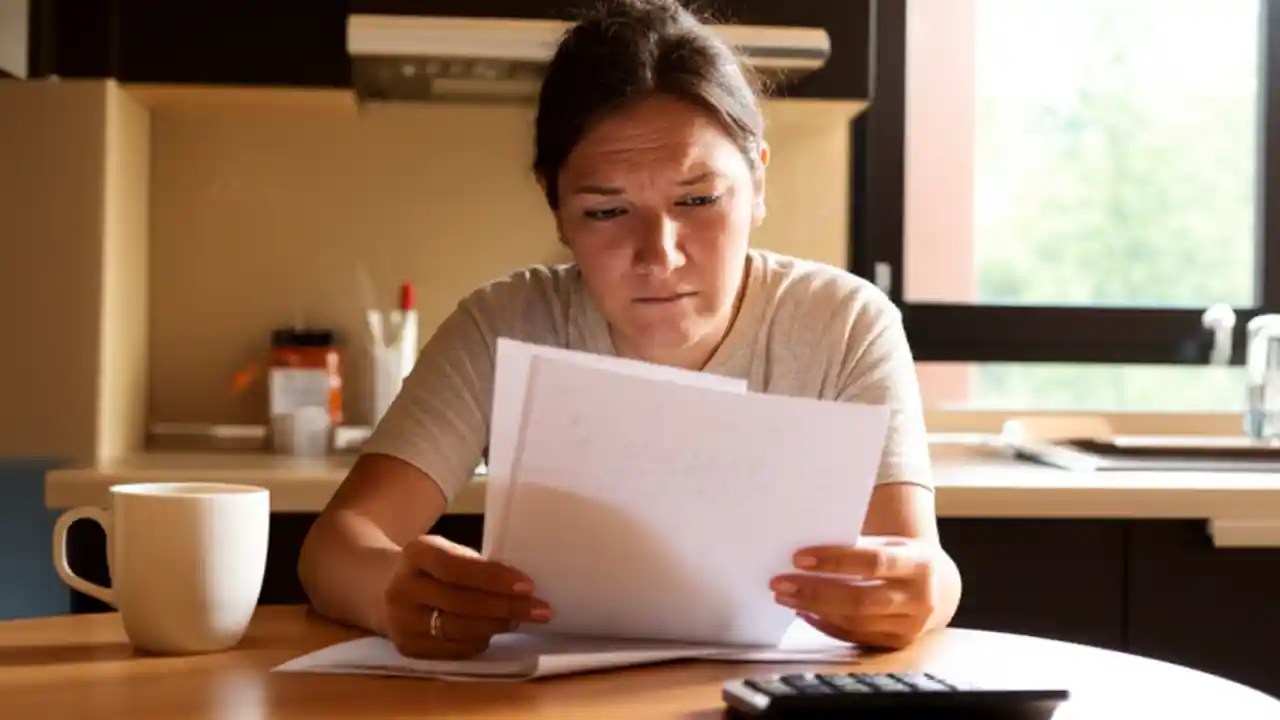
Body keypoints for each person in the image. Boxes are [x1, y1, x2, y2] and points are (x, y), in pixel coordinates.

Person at [298, 0, 962, 660]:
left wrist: (927, 592)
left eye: (698, 201)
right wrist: (392, 589)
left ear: (758, 179)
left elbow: (917, 565)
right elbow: (337, 546)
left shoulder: (843, 324)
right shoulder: (505, 325)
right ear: (555, 206)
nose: (660, 255)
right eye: (608, 210)